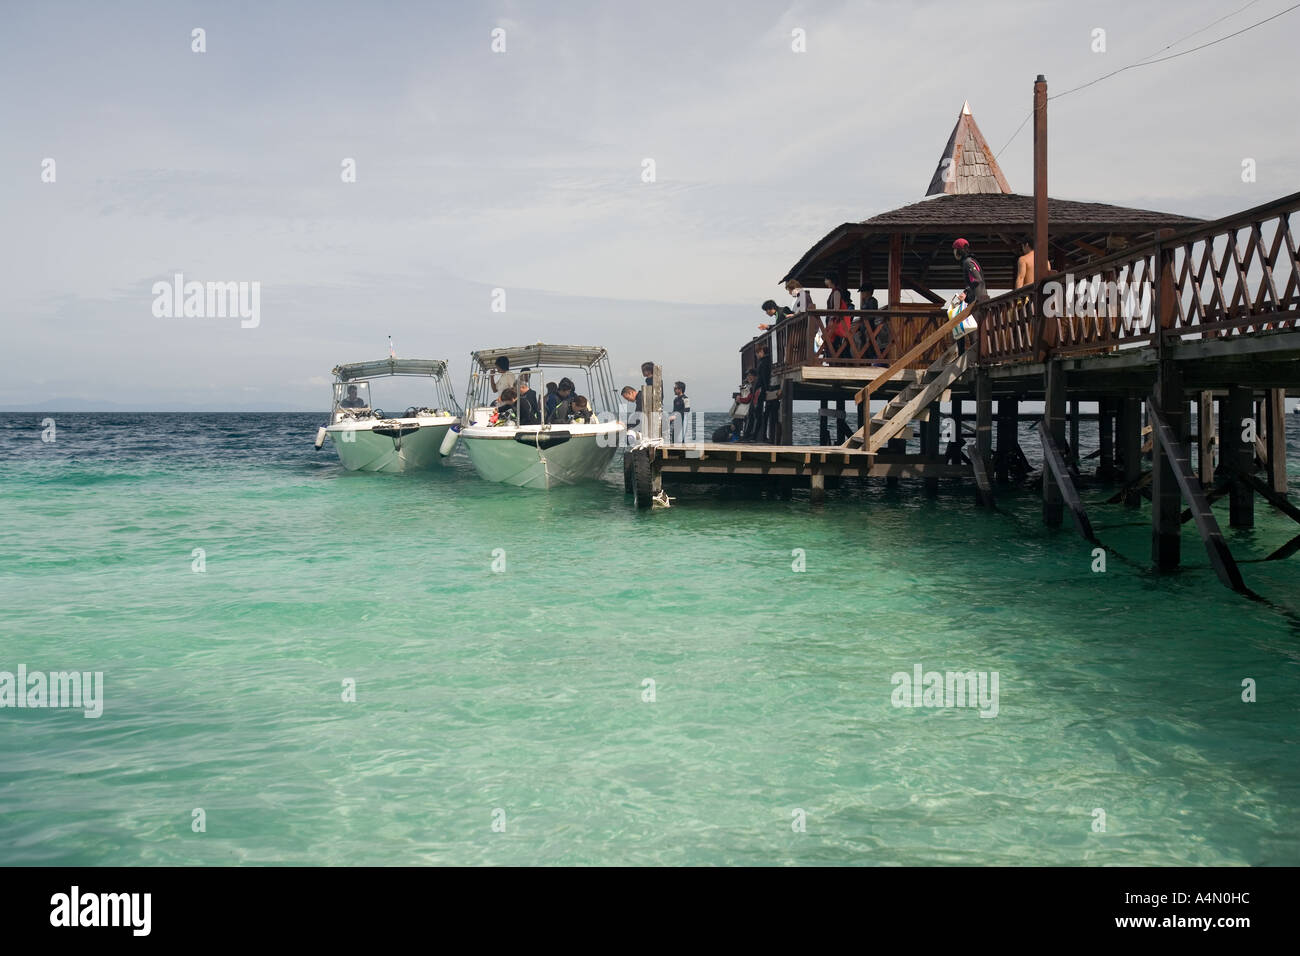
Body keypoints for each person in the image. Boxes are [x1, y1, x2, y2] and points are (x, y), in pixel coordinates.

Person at [953, 238, 988, 356]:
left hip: (977, 300)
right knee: (973, 329)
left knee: (973, 330)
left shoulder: (968, 262)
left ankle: (975, 358)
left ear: (958, 250)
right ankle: (972, 356)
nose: (953, 253)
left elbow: (977, 279)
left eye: (954, 250)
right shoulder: (972, 260)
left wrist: (965, 292)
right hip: (979, 298)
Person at [822, 272, 853, 360]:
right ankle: (834, 360)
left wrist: (831, 320)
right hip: (834, 322)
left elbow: (836, 308)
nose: (825, 281)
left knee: (833, 343)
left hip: (836, 323)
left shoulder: (836, 292)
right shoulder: (834, 292)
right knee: (832, 343)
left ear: (830, 280)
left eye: (826, 279)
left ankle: (835, 361)